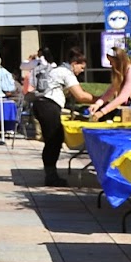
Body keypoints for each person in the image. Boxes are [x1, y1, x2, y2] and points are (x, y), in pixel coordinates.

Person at [28, 48, 95, 187]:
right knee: (54, 140)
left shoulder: (57, 70)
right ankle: (51, 176)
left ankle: (50, 173)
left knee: (53, 140)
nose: (82, 70)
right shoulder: (66, 73)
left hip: (41, 105)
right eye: (81, 67)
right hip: (49, 106)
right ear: (74, 63)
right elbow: (81, 95)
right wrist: (101, 100)